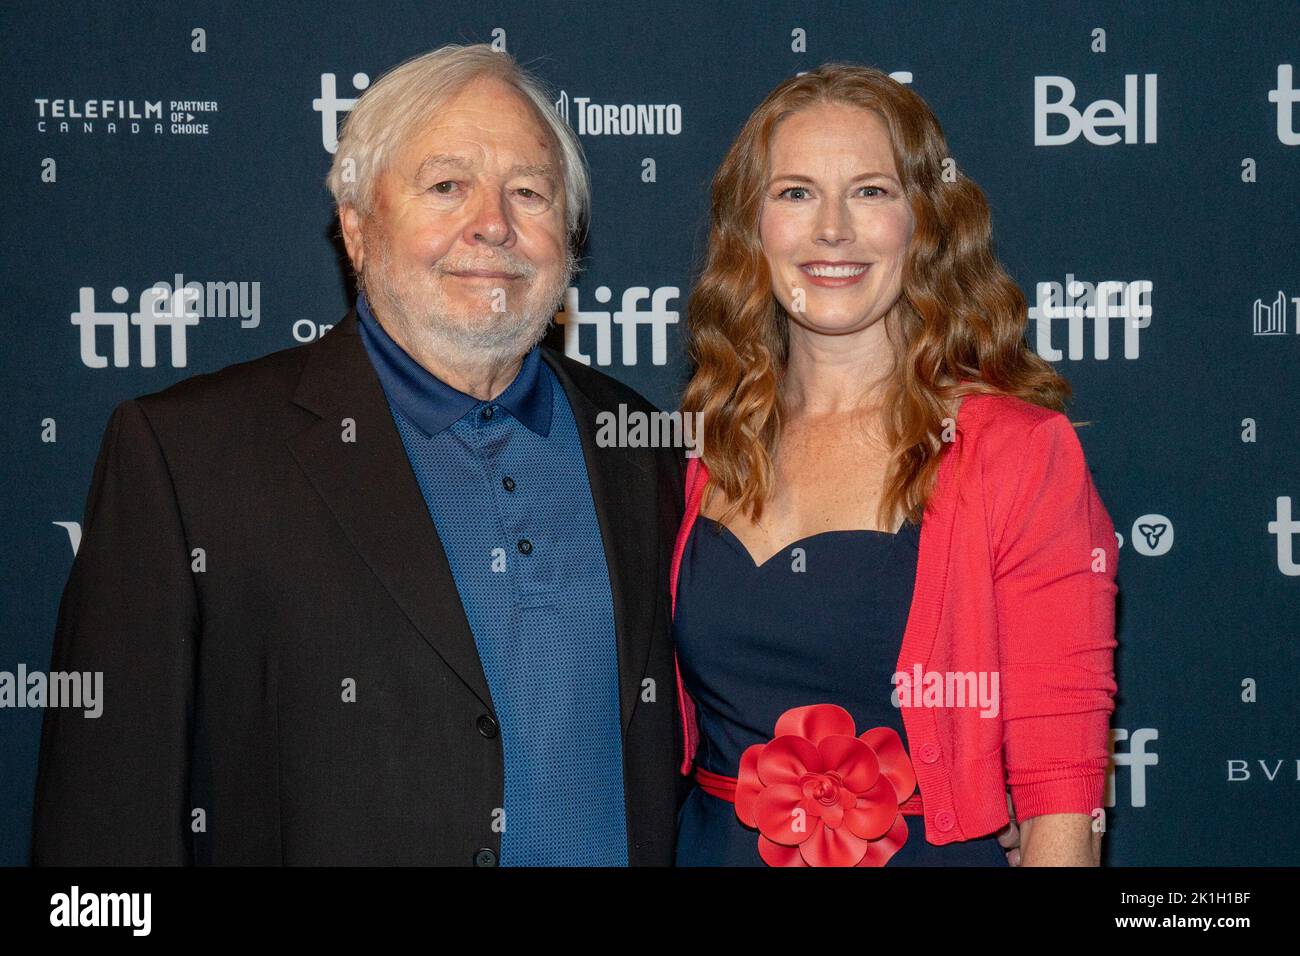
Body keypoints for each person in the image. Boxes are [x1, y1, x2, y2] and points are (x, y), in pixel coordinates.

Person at [31, 44, 684, 866]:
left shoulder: (639, 443)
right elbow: (106, 815)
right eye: (447, 186)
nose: (494, 223)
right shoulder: (187, 456)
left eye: (530, 191)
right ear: (357, 228)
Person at [669, 64, 1119, 867]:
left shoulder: (1016, 451)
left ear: (926, 223)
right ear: (751, 228)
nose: (832, 230)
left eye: (872, 192)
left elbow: (1061, 780)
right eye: (795, 193)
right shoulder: (704, 445)